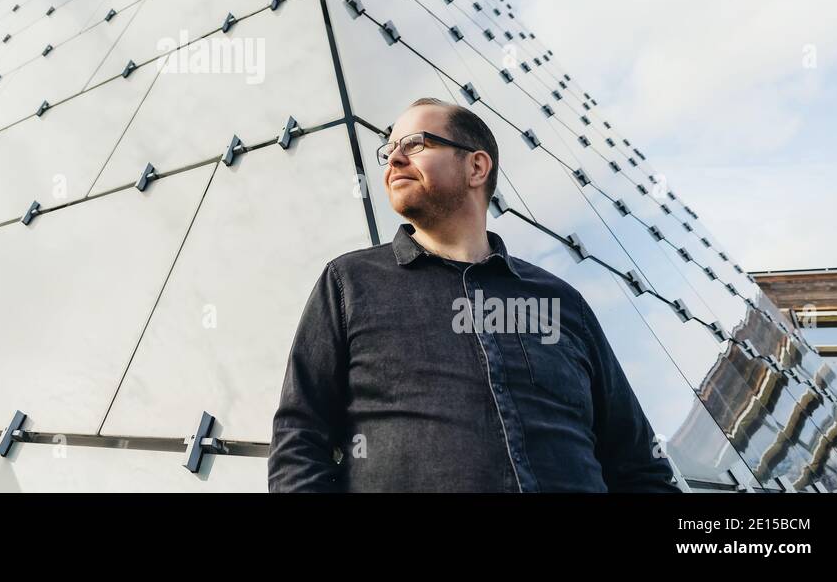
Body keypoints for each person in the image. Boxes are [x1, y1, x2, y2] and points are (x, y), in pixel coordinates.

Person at [268, 96, 680, 492]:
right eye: (389, 149)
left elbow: (640, 469)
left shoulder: (562, 303)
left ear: (476, 166)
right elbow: (299, 443)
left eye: (414, 144)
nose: (393, 159)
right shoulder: (349, 283)